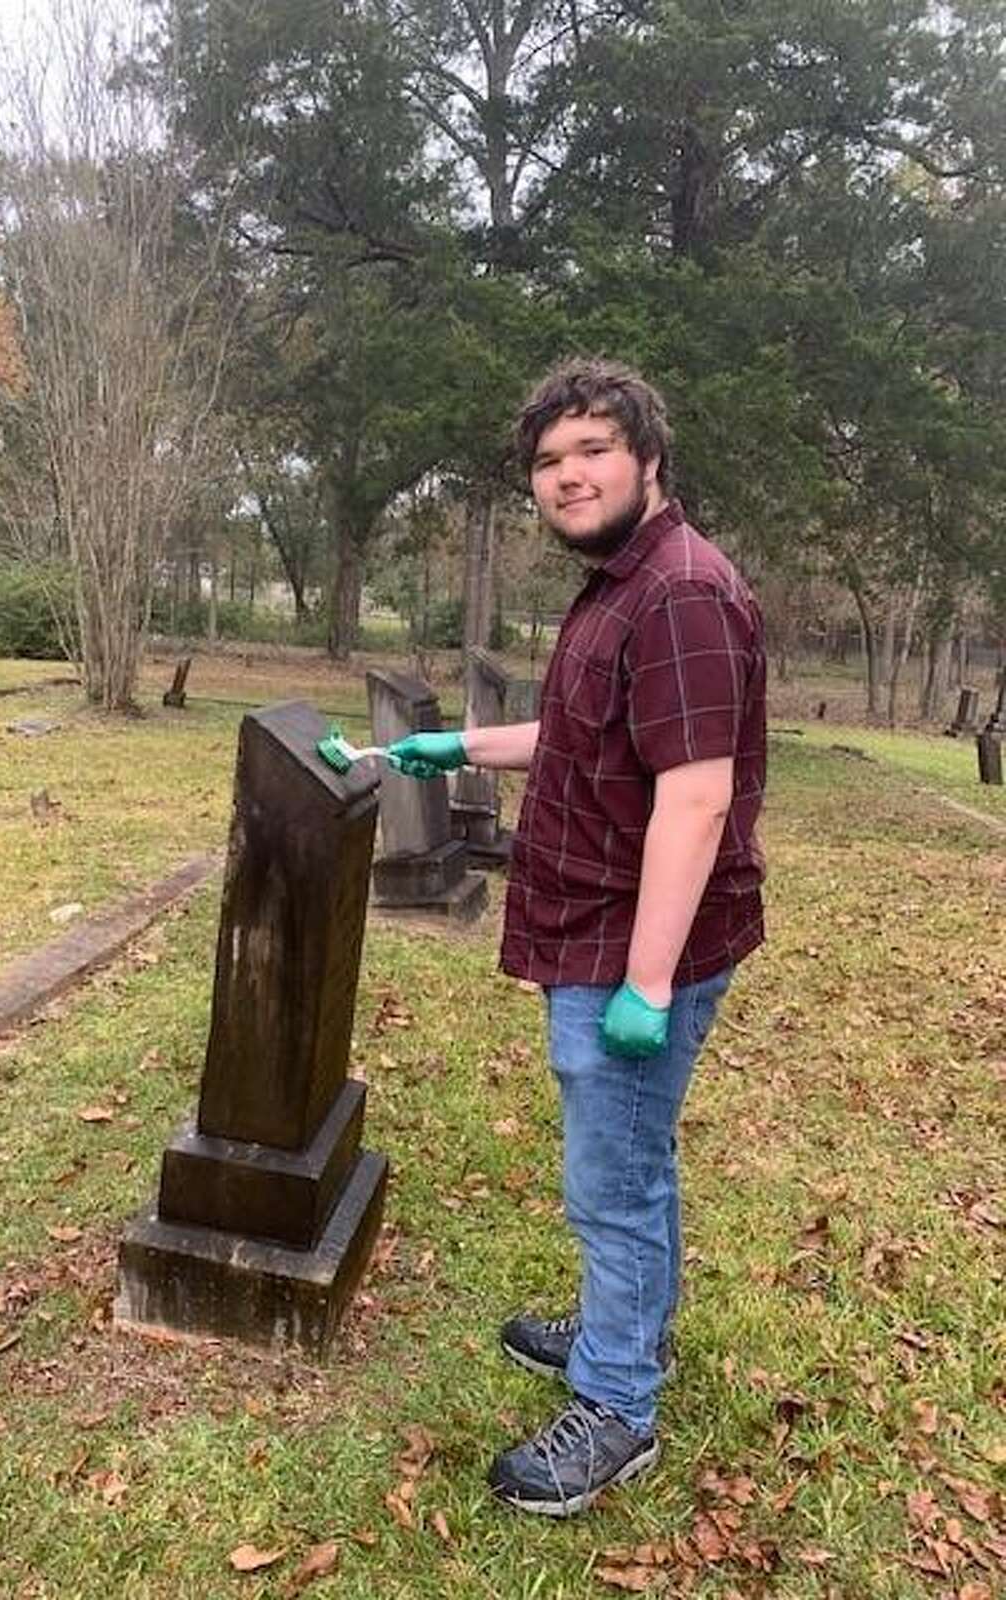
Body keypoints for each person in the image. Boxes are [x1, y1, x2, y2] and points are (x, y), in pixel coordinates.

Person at [386, 358, 767, 1518]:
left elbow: (695, 798)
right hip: (594, 928)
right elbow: (582, 730)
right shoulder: (621, 583)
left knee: (615, 1180)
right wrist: (461, 749)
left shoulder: (683, 593)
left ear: (650, 460)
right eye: (550, 462)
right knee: (624, 1169)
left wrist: (646, 982)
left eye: (593, 449)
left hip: (632, 946)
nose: (568, 475)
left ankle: (617, 1402)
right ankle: (619, 1330)